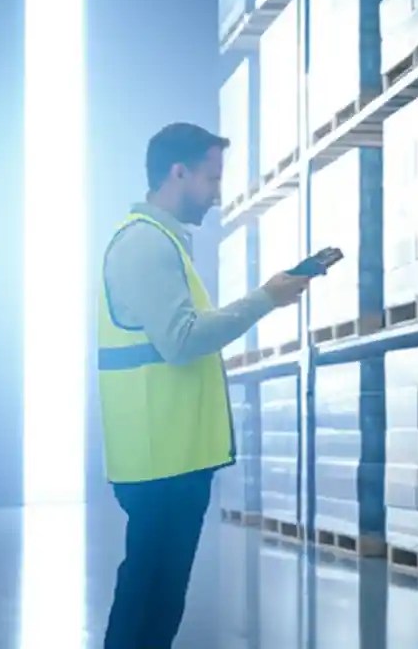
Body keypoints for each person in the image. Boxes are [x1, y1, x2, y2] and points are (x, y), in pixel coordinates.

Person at [97, 122, 311, 649]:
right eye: (211, 179)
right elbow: (181, 339)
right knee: (148, 595)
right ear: (178, 172)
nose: (217, 193)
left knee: (160, 596)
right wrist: (267, 298)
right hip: (159, 457)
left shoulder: (164, 241)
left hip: (172, 454)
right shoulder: (145, 244)